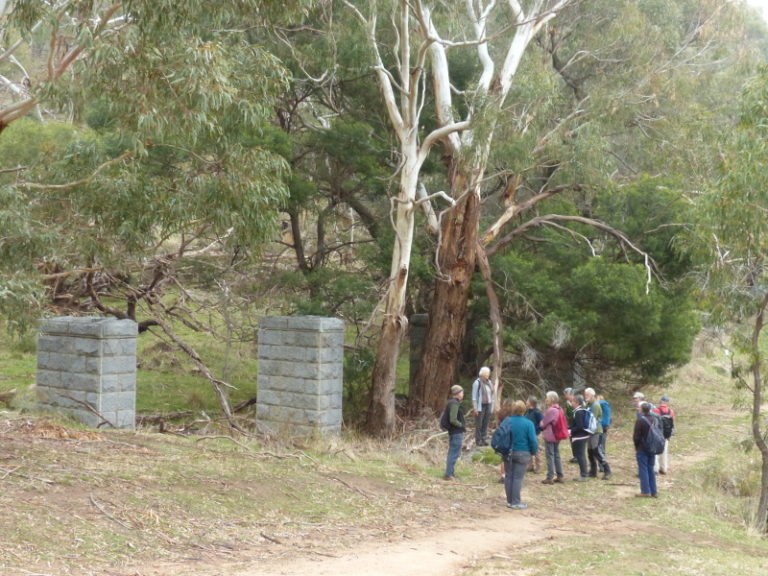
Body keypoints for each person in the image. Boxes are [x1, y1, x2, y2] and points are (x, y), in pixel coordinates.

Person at [500, 400, 538, 509]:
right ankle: (515, 502)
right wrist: (533, 451)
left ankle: (510, 501)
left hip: (508, 452)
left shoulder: (506, 421)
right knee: (517, 478)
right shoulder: (528, 423)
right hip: (523, 452)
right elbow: (533, 440)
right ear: (524, 410)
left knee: (509, 476)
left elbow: (501, 435)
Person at [584, 387, 612, 480]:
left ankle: (607, 471)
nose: (585, 396)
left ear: (592, 395)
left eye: (587, 395)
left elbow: (592, 419)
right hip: (589, 432)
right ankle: (593, 471)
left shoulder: (595, 405)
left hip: (595, 431)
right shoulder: (587, 405)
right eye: (585, 395)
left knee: (597, 451)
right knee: (590, 452)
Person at [539, 391, 566, 485]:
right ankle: (560, 475)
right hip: (558, 435)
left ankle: (550, 477)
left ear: (552, 399)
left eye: (547, 397)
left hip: (550, 435)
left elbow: (544, 423)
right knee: (556, 454)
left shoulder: (551, 410)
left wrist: (541, 423)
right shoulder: (560, 409)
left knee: (550, 455)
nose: (546, 399)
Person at [633, 402, 658, 497]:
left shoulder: (640, 421)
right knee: (651, 468)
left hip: (642, 448)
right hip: (652, 447)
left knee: (643, 469)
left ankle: (645, 491)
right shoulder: (655, 419)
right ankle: (653, 491)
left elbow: (636, 437)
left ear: (642, 410)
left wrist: (636, 447)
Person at [442, 385, 466, 480]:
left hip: (454, 432)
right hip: (456, 432)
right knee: (454, 453)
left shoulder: (452, 402)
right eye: (462, 392)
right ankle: (448, 474)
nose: (463, 394)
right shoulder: (454, 403)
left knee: (453, 452)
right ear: (458, 393)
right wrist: (461, 425)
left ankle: (450, 472)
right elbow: (453, 419)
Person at [569, 394, 591, 481]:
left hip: (580, 437)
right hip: (583, 436)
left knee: (580, 455)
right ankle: (584, 474)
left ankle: (584, 475)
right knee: (581, 455)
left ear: (577, 403)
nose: (571, 403)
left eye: (573, 401)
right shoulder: (581, 411)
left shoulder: (578, 412)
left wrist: (570, 431)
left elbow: (579, 426)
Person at [652, 395, 676, 474]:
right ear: (667, 403)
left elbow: (652, 422)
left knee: (655, 452)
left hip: (657, 434)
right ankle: (664, 468)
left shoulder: (655, 410)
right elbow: (672, 424)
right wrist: (670, 435)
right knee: (664, 451)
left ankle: (655, 468)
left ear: (660, 401)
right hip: (666, 435)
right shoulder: (671, 411)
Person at [471, 367, 494, 446]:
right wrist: (475, 408)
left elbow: (491, 394)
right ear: (483, 374)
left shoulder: (489, 382)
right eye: (487, 374)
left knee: (486, 422)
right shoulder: (477, 383)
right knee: (479, 423)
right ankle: (478, 440)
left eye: (488, 374)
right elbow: (474, 397)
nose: (488, 375)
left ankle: (484, 438)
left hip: (488, 404)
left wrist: (492, 405)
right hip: (480, 405)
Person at [524, 395, 543, 473]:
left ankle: (538, 467)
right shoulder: (527, 411)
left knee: (537, 450)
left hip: (536, 434)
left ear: (531, 403)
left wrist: (537, 430)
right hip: (527, 434)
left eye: (527, 401)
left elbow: (542, 423)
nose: (526, 402)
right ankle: (530, 465)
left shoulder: (537, 412)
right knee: (528, 450)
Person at [596, 393, 612, 465]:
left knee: (600, 445)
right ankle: (602, 461)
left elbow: (599, 402)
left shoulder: (603, 403)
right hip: (605, 426)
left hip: (602, 426)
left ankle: (602, 463)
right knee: (602, 445)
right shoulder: (606, 406)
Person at [563, 387, 577, 463]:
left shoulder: (576, 401)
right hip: (570, 424)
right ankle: (575, 456)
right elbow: (566, 413)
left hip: (576, 424)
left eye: (566, 394)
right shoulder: (567, 403)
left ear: (570, 394)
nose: (565, 396)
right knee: (572, 440)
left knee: (576, 440)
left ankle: (578, 456)